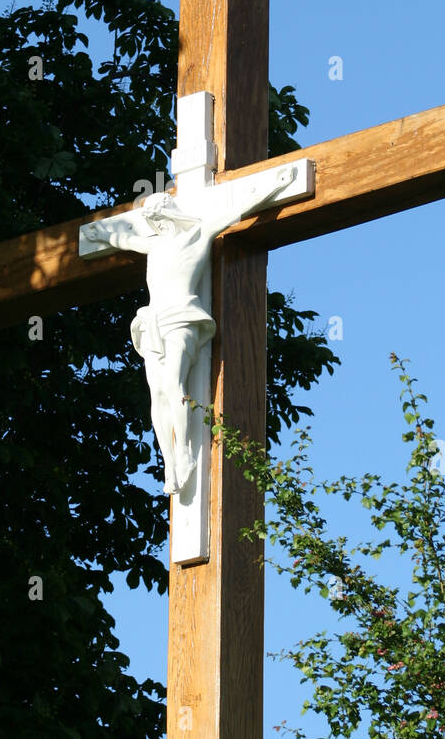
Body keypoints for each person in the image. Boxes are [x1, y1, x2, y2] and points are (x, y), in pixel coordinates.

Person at [83, 165, 297, 494]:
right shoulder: (153, 246)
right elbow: (122, 236)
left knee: (173, 383)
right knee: (157, 393)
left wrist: (274, 185)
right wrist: (97, 234)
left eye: (159, 214)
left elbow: (236, 209)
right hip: (153, 319)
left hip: (182, 316)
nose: (156, 221)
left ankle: (183, 450)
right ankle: (170, 460)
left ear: (170, 213)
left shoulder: (197, 235)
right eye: (152, 217)